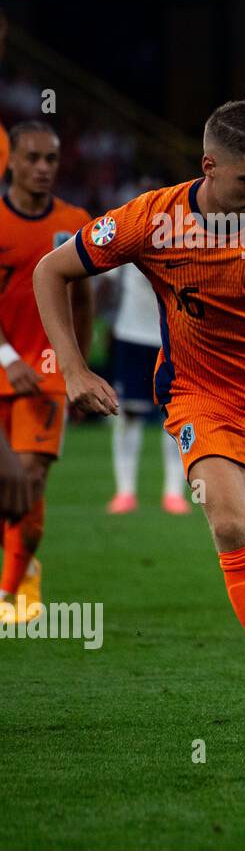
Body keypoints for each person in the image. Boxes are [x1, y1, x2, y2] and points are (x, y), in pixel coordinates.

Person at [33, 100, 245, 746]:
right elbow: (52, 268)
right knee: (233, 523)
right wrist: (71, 369)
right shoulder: (151, 220)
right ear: (209, 166)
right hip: (200, 398)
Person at [0, 120, 91, 624]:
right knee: (4, 483)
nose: (42, 168)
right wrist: (7, 359)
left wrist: (80, 370)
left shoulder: (75, 221)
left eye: (51, 159)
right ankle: (21, 563)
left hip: (49, 366)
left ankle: (9, 589)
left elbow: (83, 300)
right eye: (32, 158)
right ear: (10, 161)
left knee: (31, 476)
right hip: (4, 360)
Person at [100, 260, 189, 514]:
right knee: (128, 412)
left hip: (174, 334)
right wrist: (107, 321)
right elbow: (108, 280)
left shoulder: (182, 233)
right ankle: (125, 492)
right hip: (131, 334)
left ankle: (174, 493)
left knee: (176, 413)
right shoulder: (132, 231)